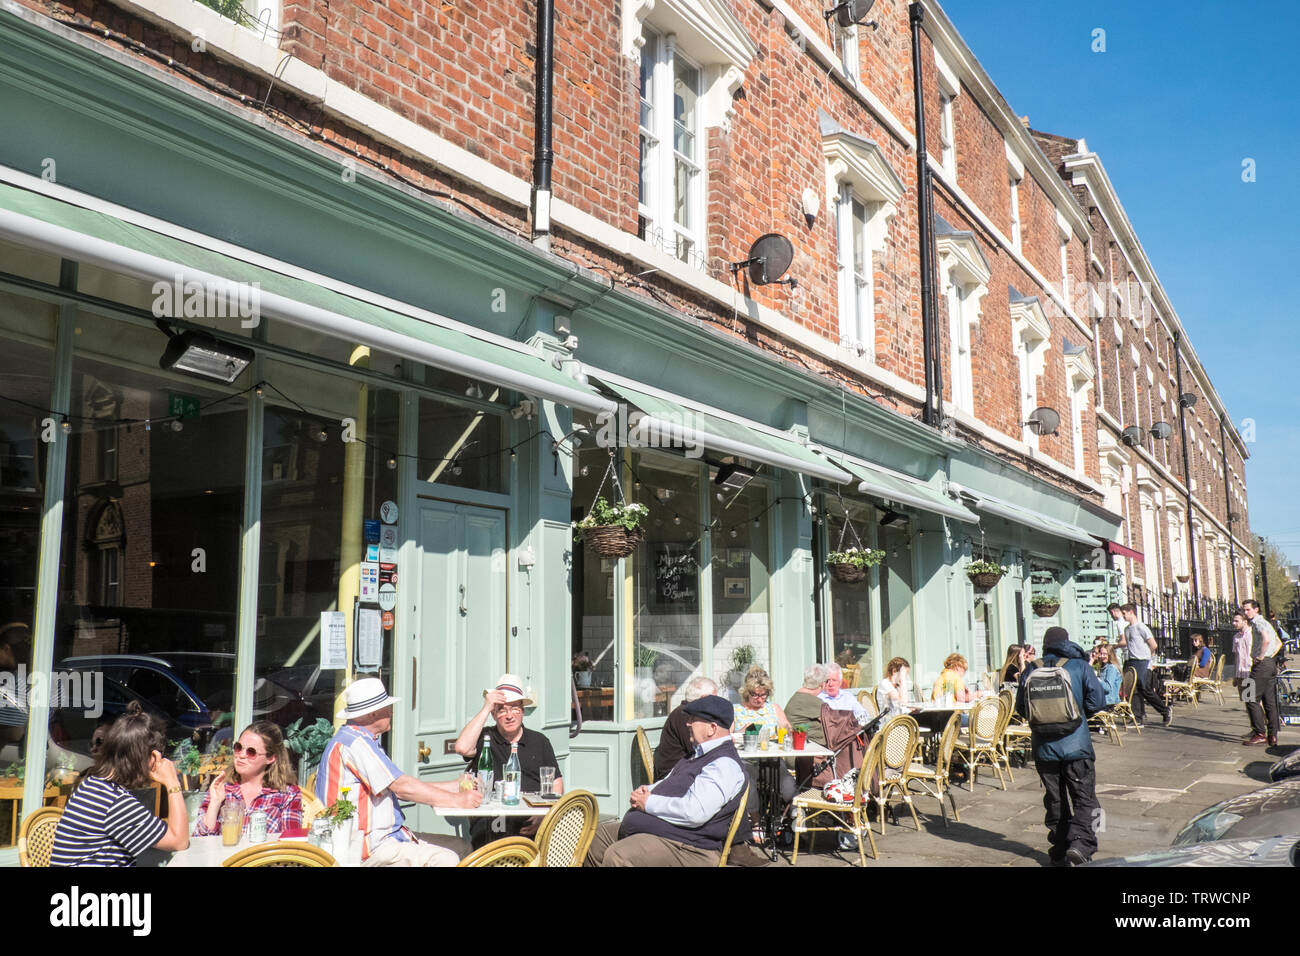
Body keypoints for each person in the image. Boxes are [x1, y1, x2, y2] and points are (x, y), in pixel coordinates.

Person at [317, 678, 479, 866]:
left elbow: (395, 786)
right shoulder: (356, 743)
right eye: (387, 708)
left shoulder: (355, 739)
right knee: (445, 858)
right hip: (367, 848)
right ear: (373, 714)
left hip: (388, 838)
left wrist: (452, 787)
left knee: (462, 847)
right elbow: (402, 788)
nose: (391, 712)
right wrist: (457, 800)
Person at [584, 695, 746, 866]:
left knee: (619, 856)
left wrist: (648, 802)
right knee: (595, 838)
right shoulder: (696, 754)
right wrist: (648, 790)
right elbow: (670, 781)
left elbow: (694, 812)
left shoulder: (724, 765)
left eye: (693, 719)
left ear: (712, 728)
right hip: (667, 834)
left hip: (691, 848)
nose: (687, 723)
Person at [49, 700, 190, 866]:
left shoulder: (93, 785)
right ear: (153, 758)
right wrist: (172, 782)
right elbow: (179, 841)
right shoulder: (114, 801)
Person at [1017, 626, 1106, 866]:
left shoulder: (1032, 669)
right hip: (1077, 746)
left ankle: (1059, 846)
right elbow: (1098, 701)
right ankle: (1081, 844)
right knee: (1085, 797)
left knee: (1055, 798)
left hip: (1044, 748)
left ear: (1045, 645)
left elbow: (1021, 709)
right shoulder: (1080, 666)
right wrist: (1077, 717)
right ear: (1067, 642)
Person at [453, 673, 563, 846]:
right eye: (502, 710)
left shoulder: (539, 741)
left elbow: (556, 783)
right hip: (492, 819)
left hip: (532, 819)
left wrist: (545, 816)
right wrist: (486, 707)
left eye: (515, 708)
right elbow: (462, 747)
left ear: (523, 712)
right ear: (494, 715)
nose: (509, 715)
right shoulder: (485, 738)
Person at [194, 721, 303, 837]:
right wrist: (215, 803)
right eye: (238, 747)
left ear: (270, 758)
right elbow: (201, 840)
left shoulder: (287, 795)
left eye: (251, 752)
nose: (241, 755)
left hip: (265, 855)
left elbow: (291, 843)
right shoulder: (223, 788)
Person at [1115, 604, 1172, 728]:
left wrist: (1148, 657)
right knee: (1131, 689)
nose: (1123, 616)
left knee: (1144, 687)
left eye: (1124, 613)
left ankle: (1164, 710)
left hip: (1142, 660)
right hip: (1131, 660)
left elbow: (1153, 645)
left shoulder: (1141, 627)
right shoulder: (1127, 629)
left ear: (1131, 612)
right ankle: (1137, 717)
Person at [655, 677, 717, 781]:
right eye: (714, 699)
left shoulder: (686, 712)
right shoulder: (684, 715)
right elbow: (699, 750)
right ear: (703, 698)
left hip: (686, 769)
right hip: (673, 776)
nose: (716, 704)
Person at [1241, 599, 1282, 746]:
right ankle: (1273, 735)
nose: (1246, 613)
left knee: (1249, 696)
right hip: (1270, 664)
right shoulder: (1266, 622)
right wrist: (1269, 656)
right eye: (1244, 610)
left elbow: (1266, 640)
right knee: (1268, 700)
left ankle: (1259, 733)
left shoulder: (1258, 623)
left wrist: (1261, 656)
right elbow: (1278, 643)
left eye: (1248, 610)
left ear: (1256, 609)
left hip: (1262, 665)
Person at [732, 669, 791, 737]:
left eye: (763, 695)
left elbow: (789, 732)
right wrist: (741, 732)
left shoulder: (774, 708)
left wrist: (785, 731)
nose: (759, 700)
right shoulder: (734, 710)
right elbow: (725, 738)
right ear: (747, 692)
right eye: (755, 695)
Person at [783, 664, 830, 748]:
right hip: (810, 748)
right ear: (822, 684)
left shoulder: (798, 696)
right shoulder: (813, 701)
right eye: (827, 681)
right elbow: (833, 721)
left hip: (798, 745)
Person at [1095, 644, 1123, 713]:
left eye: (1105, 654)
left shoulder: (1111, 668)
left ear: (1110, 655)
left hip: (1109, 701)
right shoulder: (1104, 667)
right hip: (1104, 699)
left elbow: (1107, 688)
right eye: (1101, 654)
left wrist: (1097, 679)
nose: (1102, 656)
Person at [1231, 611, 1252, 698]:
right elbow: (1236, 656)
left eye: (1236, 621)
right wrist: (1235, 675)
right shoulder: (1236, 637)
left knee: (1254, 701)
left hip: (1251, 672)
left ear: (1245, 621)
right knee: (1246, 701)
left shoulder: (1253, 634)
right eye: (1233, 621)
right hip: (1240, 673)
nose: (1234, 623)